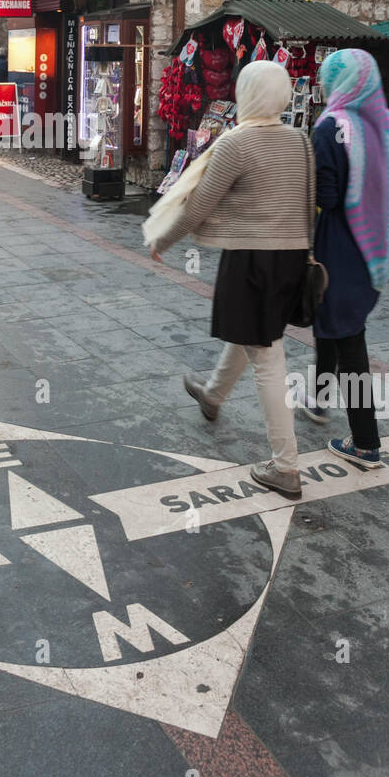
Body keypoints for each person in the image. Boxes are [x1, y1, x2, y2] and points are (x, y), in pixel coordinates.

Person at [144, 60, 313, 500]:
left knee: (268, 357)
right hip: (291, 258)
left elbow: (199, 204)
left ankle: (286, 466)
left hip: (252, 260)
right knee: (254, 335)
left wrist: (163, 238)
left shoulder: (237, 143)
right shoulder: (300, 140)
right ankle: (214, 394)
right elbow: (306, 202)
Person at [305, 48, 389, 468]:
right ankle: (317, 397)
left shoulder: (330, 127)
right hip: (376, 249)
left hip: (340, 247)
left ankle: (366, 442)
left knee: (347, 335)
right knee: (336, 322)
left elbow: (326, 197)